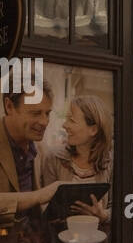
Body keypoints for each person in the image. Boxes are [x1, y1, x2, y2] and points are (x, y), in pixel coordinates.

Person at [40, 94, 113, 222]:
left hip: (98, 237)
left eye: (71, 120)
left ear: (93, 130)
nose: (64, 125)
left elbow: (121, 208)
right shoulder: (53, 158)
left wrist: (103, 215)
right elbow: (44, 205)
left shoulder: (113, 162)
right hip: (62, 237)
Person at [0, 86, 60, 217]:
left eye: (47, 113)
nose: (45, 122)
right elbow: (40, 196)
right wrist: (38, 196)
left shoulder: (40, 148)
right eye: (35, 113)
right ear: (9, 106)